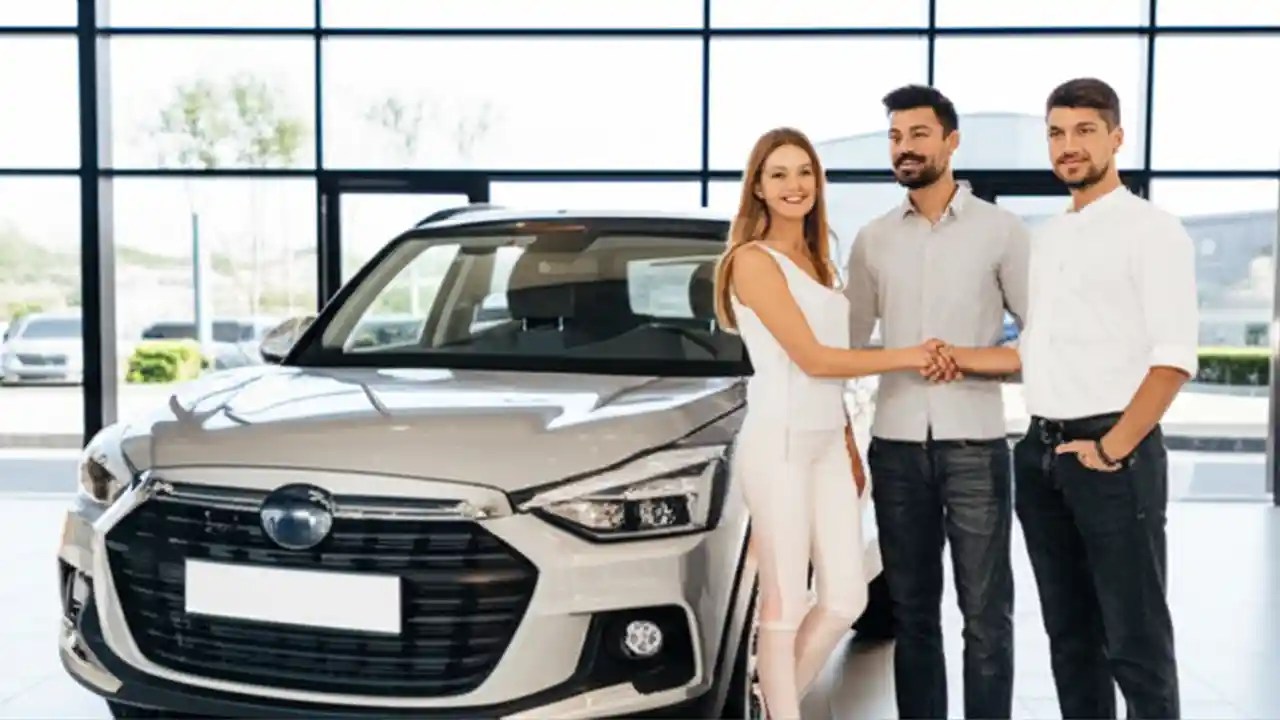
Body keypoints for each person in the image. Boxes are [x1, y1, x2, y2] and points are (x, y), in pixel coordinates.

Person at [712, 126, 941, 720]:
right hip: (780, 445)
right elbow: (815, 359)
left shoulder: (818, 262)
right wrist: (909, 355)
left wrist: (847, 445)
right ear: (758, 188)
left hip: (826, 446)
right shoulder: (752, 262)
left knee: (845, 598)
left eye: (804, 172)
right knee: (784, 606)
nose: (794, 185)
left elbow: (827, 378)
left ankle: (770, 702)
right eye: (779, 174)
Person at [1005, 77, 1195, 719]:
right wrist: (939, 355)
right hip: (1041, 452)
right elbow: (1036, 350)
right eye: (1056, 133)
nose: (1069, 145)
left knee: (1135, 641)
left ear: (1116, 138)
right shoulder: (1049, 236)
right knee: (1071, 640)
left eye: (1085, 131)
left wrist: (1112, 450)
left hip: (1113, 454)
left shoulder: (1153, 231)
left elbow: (1173, 360)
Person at [843, 84, 1030, 720]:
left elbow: (1042, 340)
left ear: (951, 141)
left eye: (918, 134)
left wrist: (965, 357)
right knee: (912, 614)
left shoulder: (1001, 231)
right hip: (895, 446)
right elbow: (847, 347)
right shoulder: (872, 239)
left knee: (986, 614)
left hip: (975, 442)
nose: (905, 148)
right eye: (895, 137)